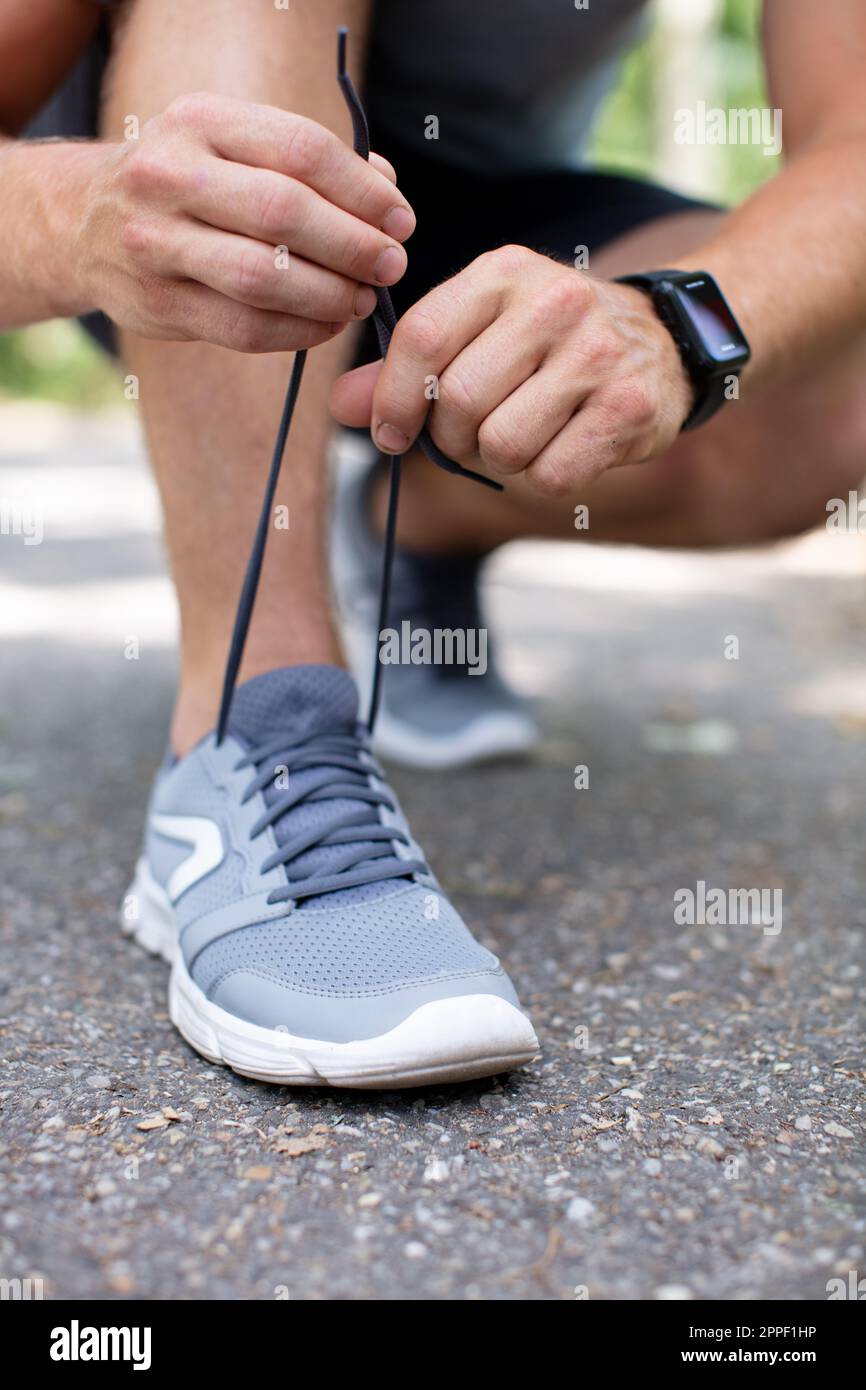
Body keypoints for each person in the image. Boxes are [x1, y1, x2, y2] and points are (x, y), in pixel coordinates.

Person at [1, 1, 864, 1087]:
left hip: (487, 242)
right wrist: (72, 215)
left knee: (837, 393)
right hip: (181, 212)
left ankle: (403, 527)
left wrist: (671, 329)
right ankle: (255, 716)